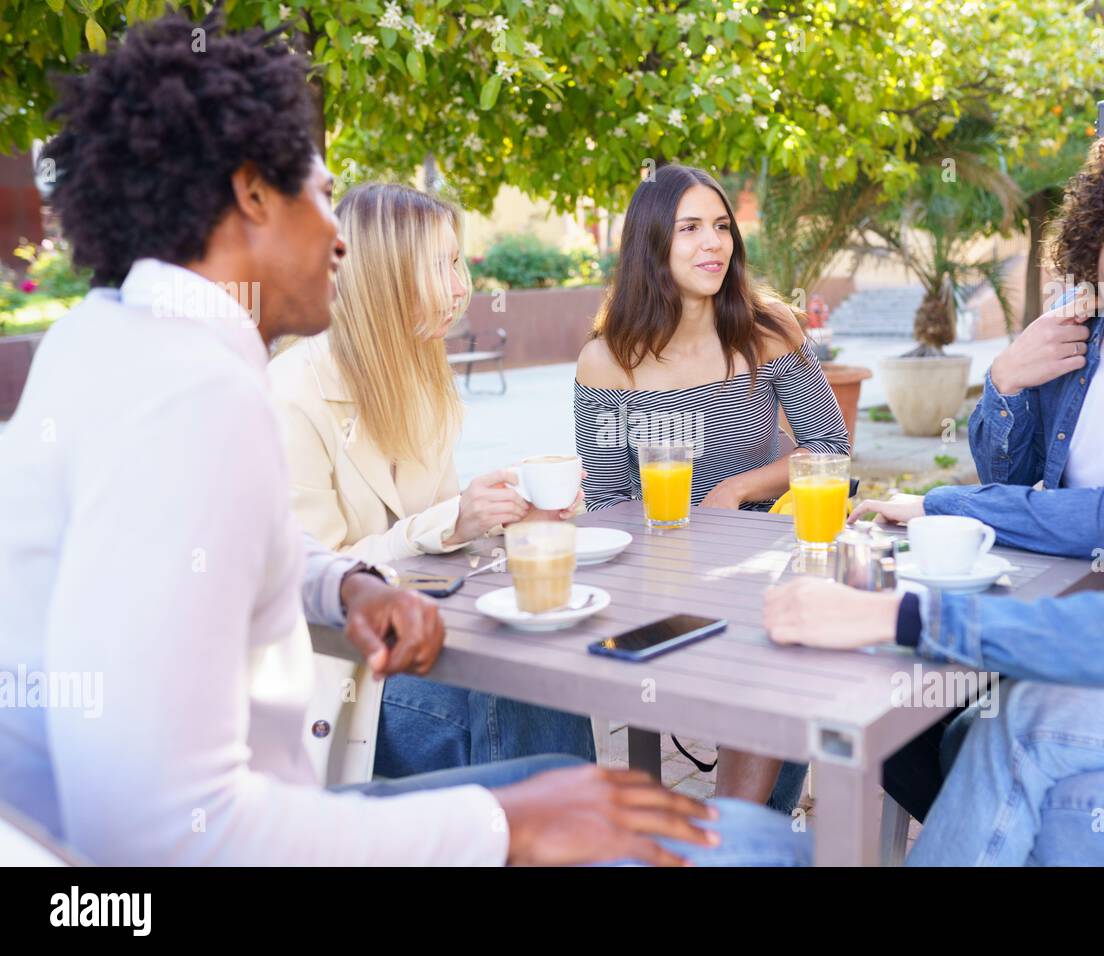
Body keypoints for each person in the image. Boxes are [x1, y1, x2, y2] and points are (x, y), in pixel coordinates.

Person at [0, 11, 808, 867]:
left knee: (600, 784)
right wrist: (509, 829)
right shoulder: (195, 397)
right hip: (273, 821)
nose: (340, 236)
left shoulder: (103, 341)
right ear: (250, 193)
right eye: (320, 196)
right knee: (750, 845)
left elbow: (248, 550)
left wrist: (344, 583)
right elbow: (162, 838)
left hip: (271, 803)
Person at [764, 109, 1104, 866]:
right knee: (975, 726)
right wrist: (1006, 380)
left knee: (1019, 785)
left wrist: (904, 609)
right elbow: (1008, 477)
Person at [856, 116, 1104, 822]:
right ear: (1095, 233)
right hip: (1040, 617)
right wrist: (1006, 380)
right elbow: (1004, 468)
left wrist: (944, 504)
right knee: (888, 714)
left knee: (972, 734)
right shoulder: (1072, 338)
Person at [268, 182, 594, 784]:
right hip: (340, 680)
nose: (462, 285)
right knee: (516, 683)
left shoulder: (418, 377)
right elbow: (311, 581)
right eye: (441, 264)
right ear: (385, 276)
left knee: (539, 657)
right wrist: (454, 519)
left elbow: (438, 539)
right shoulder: (291, 391)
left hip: (417, 644)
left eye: (458, 260)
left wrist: (506, 523)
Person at [574, 164, 850, 813]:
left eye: (722, 227)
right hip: (661, 570)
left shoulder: (769, 330)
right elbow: (609, 503)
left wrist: (735, 489)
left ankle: (738, 831)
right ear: (651, 245)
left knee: (786, 645)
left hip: (762, 556)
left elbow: (829, 450)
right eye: (690, 228)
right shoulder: (607, 360)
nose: (714, 244)